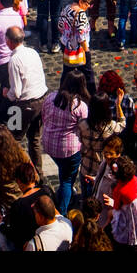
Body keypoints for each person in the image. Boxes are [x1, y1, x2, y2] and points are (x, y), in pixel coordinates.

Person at [40, 72, 89, 213]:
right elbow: (84, 129)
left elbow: (44, 117)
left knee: (63, 171)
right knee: (67, 180)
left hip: (50, 144)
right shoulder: (80, 106)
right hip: (69, 150)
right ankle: (62, 211)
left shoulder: (51, 97)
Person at [1, 24, 48, 170]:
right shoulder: (32, 52)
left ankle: (13, 169)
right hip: (41, 100)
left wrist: (6, 94)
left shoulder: (14, 60)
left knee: (12, 137)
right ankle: (37, 171)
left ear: (9, 41)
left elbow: (16, 92)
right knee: (34, 139)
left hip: (24, 106)